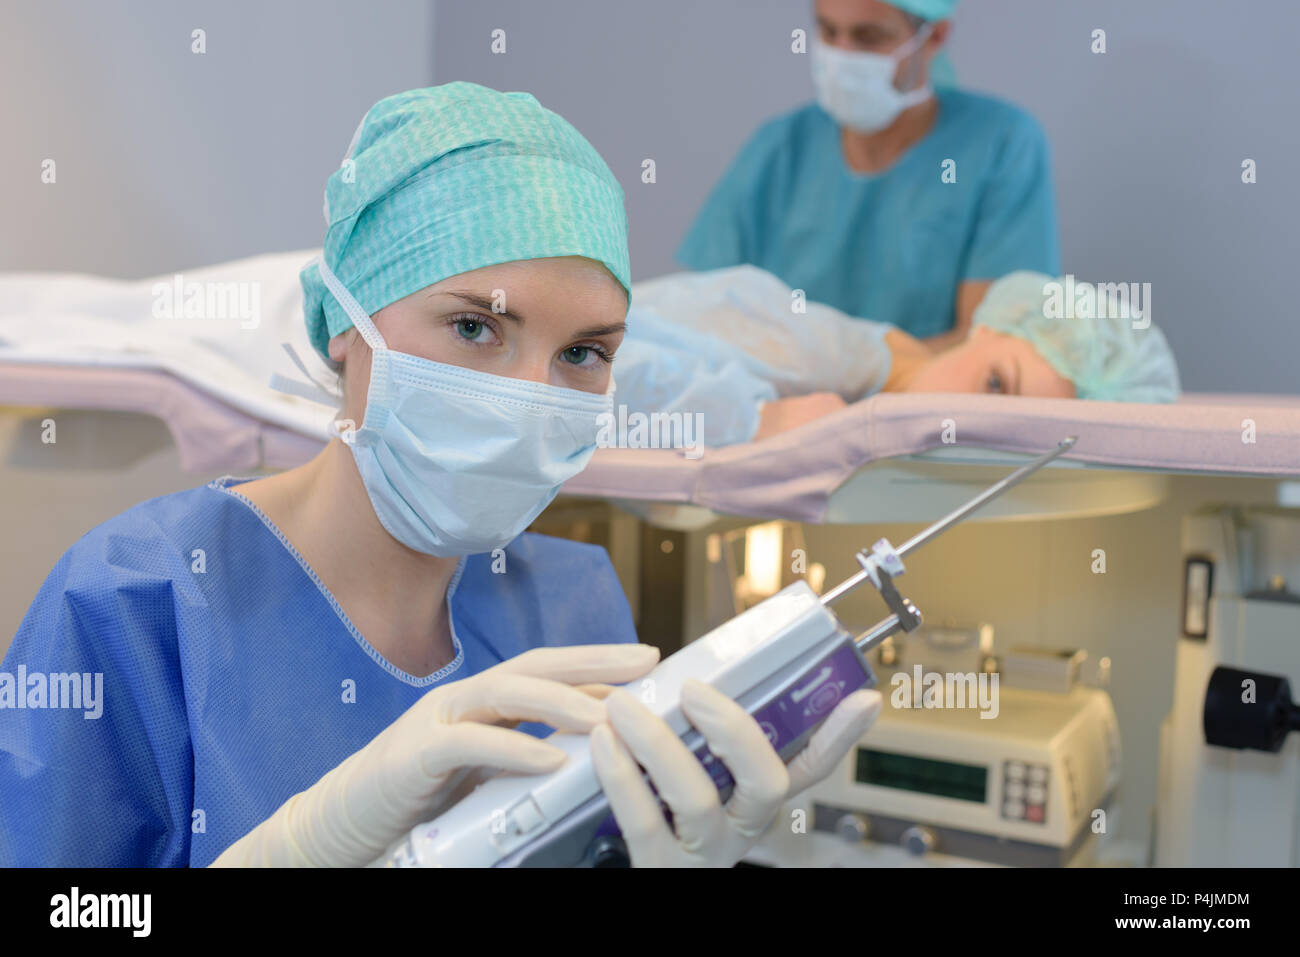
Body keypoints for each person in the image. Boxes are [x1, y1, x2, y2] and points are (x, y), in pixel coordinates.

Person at [0, 83, 881, 867]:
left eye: (583, 352)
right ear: (344, 324)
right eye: (474, 328)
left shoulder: (574, 606)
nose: (531, 399)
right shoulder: (135, 603)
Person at [676, 0, 1061, 349]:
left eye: (869, 36)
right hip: (782, 402)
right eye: (829, 31)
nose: (842, 54)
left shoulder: (1000, 144)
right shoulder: (779, 148)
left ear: (935, 36)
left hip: (931, 404)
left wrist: (861, 377)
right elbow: (708, 319)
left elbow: (991, 343)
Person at [610, 267, 1180, 444]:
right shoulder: (815, 350)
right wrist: (757, 421)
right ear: (986, 327)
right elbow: (591, 362)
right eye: (996, 384)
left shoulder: (869, 390)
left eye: (1010, 431)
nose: (970, 421)